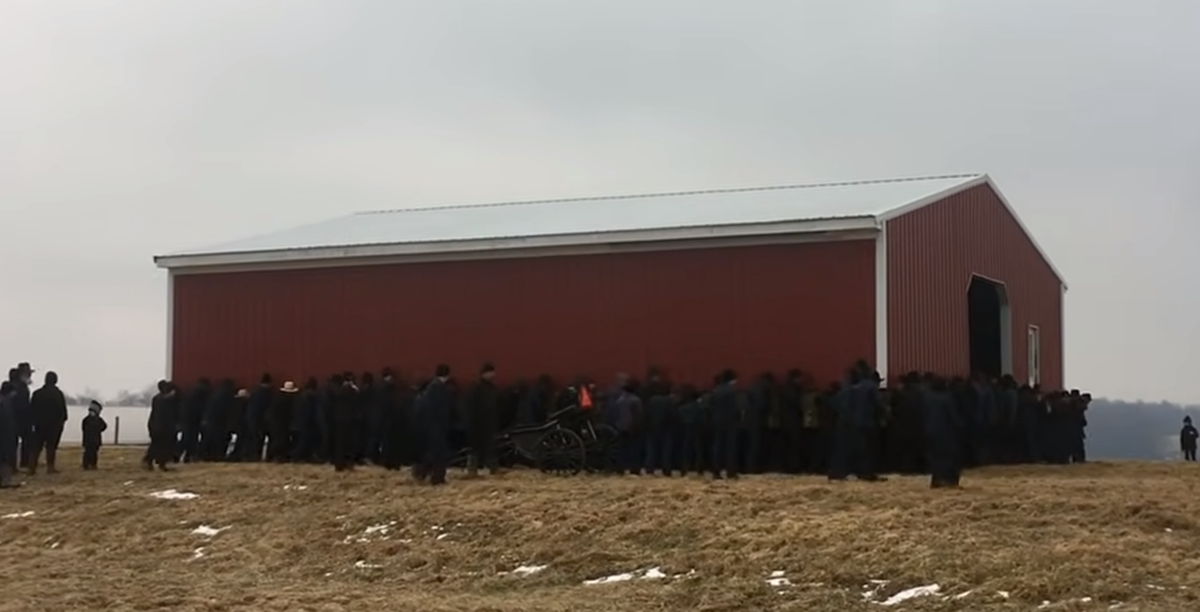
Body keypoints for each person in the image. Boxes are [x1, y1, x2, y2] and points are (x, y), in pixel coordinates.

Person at [29, 370, 69, 475]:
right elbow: (63, 411)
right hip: (53, 426)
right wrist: (61, 423)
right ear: (55, 381)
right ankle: (50, 467)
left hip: (39, 425)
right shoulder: (58, 394)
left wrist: (33, 423)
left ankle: (32, 468)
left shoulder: (37, 394)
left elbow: (31, 410)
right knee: (51, 447)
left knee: (36, 447)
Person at [145, 380, 179, 471]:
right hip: (161, 427)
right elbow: (166, 415)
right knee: (161, 446)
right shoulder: (164, 401)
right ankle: (156, 463)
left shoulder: (157, 399)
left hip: (156, 426)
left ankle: (153, 462)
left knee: (157, 445)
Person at [0, 381, 20, 489]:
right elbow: (7, 424)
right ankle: (5, 482)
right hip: (4, 436)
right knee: (5, 459)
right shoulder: (6, 404)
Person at [82, 400, 108, 470]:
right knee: (87, 453)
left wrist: (98, 430)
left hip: (95, 440)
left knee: (94, 453)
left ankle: (92, 464)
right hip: (89, 440)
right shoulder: (86, 420)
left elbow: (104, 426)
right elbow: (84, 428)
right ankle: (86, 465)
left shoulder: (98, 420)